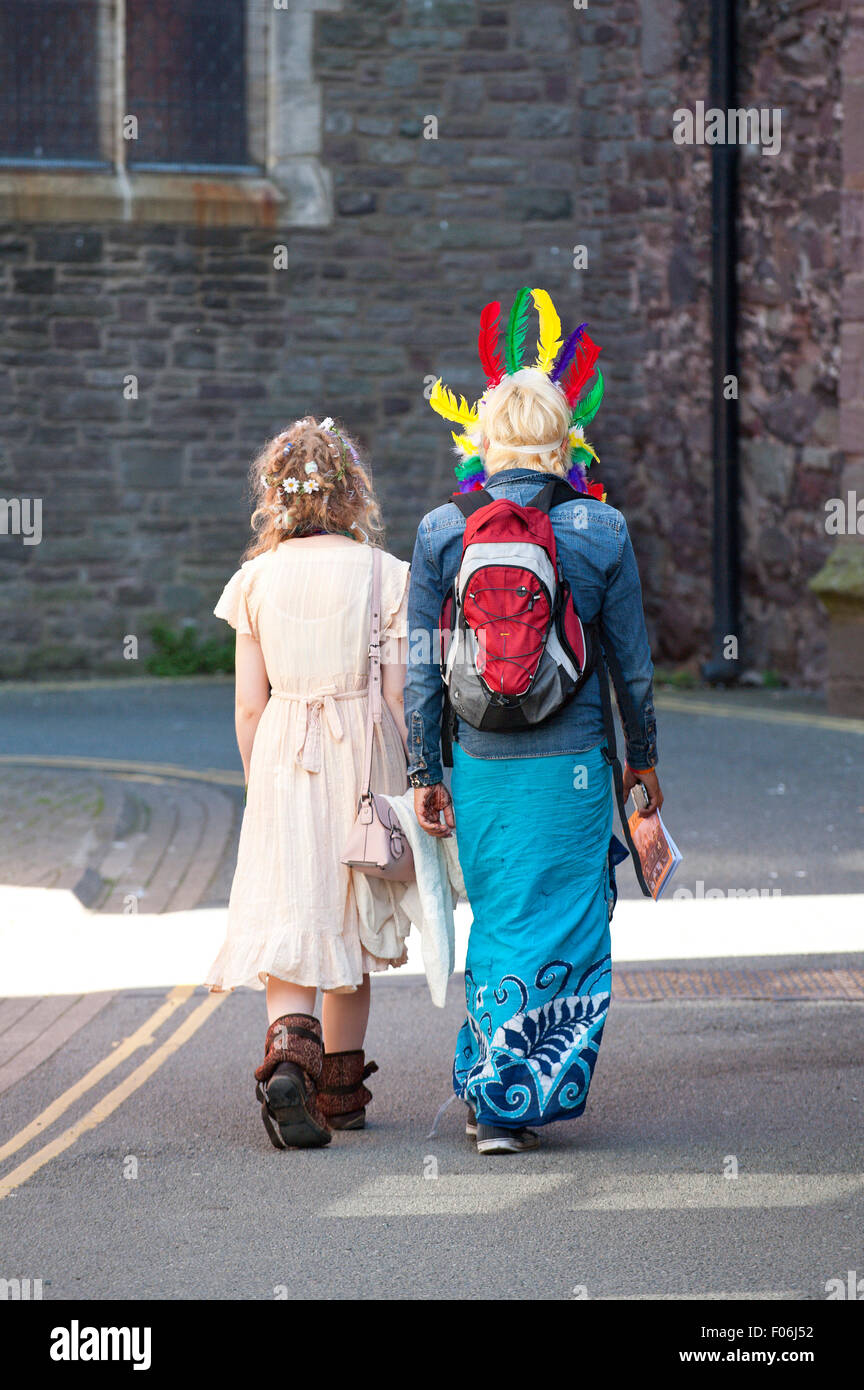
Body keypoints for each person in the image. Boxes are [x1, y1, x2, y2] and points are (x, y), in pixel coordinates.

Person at [403, 289, 662, 1155]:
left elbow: (421, 663)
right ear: (562, 445)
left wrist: (423, 773)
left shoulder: (443, 532)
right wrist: (643, 765)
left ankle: (487, 1086)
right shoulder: (602, 529)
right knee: (568, 919)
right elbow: (629, 665)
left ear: (483, 444)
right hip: (575, 769)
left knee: (504, 915)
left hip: (481, 767)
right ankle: (511, 1099)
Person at [206, 415, 411, 1149]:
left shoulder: (254, 580)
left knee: (292, 906)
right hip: (360, 752)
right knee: (352, 913)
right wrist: (409, 777)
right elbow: (396, 694)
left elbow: (248, 704)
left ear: (275, 495)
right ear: (352, 492)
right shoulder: (384, 573)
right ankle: (342, 1090)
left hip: (284, 750)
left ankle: (291, 1054)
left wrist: (259, 779)